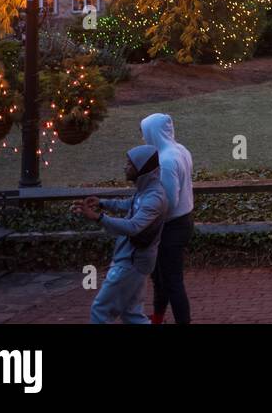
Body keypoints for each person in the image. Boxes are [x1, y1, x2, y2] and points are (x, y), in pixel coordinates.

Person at [74, 144, 170, 324]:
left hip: (131, 263)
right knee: (131, 315)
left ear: (141, 169)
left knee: (100, 310)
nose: (125, 167)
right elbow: (130, 204)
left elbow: (133, 226)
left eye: (129, 164)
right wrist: (102, 203)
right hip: (134, 260)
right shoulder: (146, 191)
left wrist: (98, 217)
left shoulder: (154, 197)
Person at [141, 113, 194, 324]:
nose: (143, 138)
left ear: (153, 133)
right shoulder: (180, 150)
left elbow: (169, 201)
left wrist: (146, 216)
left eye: (145, 132)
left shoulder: (167, 160)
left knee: (171, 281)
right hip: (184, 221)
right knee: (161, 279)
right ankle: (157, 317)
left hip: (171, 227)